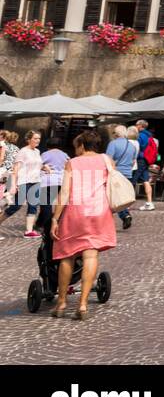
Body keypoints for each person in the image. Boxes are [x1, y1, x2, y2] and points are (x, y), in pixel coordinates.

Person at [50, 127, 117, 319]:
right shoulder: (107, 160)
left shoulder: (73, 163)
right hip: (99, 211)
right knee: (90, 256)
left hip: (75, 212)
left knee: (67, 256)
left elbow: (65, 192)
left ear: (81, 145)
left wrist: (55, 218)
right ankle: (83, 305)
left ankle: (61, 303)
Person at [1, 130, 46, 237]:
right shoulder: (23, 151)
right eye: (35, 138)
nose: (37, 140)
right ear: (28, 139)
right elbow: (15, 168)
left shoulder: (37, 151)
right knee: (16, 206)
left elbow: (37, 165)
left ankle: (29, 231)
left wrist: (45, 167)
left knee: (33, 206)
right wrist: (13, 185)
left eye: (39, 138)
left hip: (36, 182)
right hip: (24, 182)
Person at [103, 126, 137, 231]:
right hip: (128, 174)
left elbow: (108, 159)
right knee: (122, 197)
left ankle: (124, 216)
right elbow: (133, 161)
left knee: (114, 198)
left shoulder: (113, 144)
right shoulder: (132, 146)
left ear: (116, 134)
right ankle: (124, 215)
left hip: (116, 174)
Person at [134, 120, 156, 211]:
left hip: (141, 159)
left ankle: (125, 203)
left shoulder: (140, 136)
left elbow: (137, 147)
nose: (135, 126)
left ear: (140, 126)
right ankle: (149, 203)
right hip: (146, 160)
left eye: (136, 124)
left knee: (132, 180)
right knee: (145, 180)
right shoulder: (149, 135)